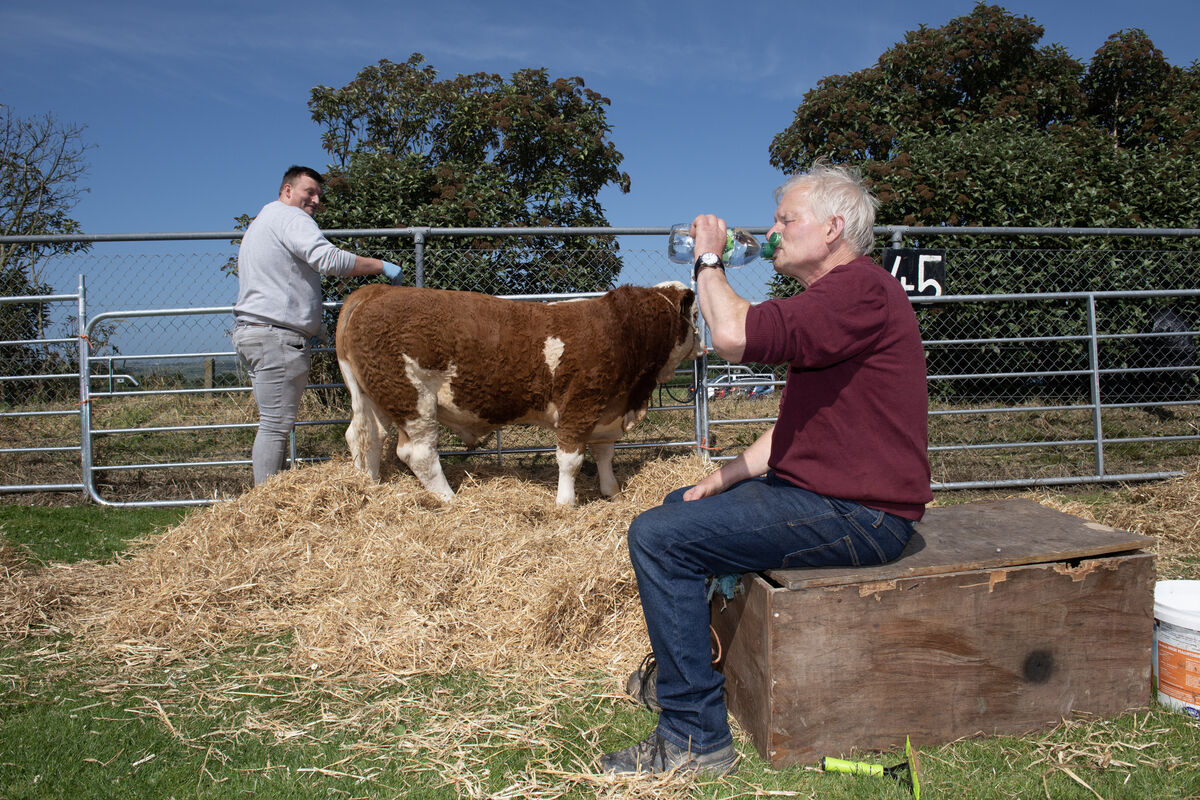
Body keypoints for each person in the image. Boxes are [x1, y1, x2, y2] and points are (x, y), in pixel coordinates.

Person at [600, 160, 932, 776]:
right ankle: (699, 671)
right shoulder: (835, 300)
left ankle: (694, 739)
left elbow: (729, 333)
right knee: (679, 508)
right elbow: (795, 430)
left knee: (658, 539)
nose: (773, 230)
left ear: (833, 228)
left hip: (862, 514)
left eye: (787, 218)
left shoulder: (858, 290)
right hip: (820, 494)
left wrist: (708, 255)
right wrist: (723, 477)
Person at [233, 165, 402, 485]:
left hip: (254, 332)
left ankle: (269, 494)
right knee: (275, 424)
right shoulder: (291, 218)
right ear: (287, 190)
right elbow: (327, 259)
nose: (314, 200)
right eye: (308, 192)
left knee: (273, 422)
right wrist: (380, 266)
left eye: (318, 195)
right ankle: (265, 502)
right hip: (277, 336)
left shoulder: (263, 221)